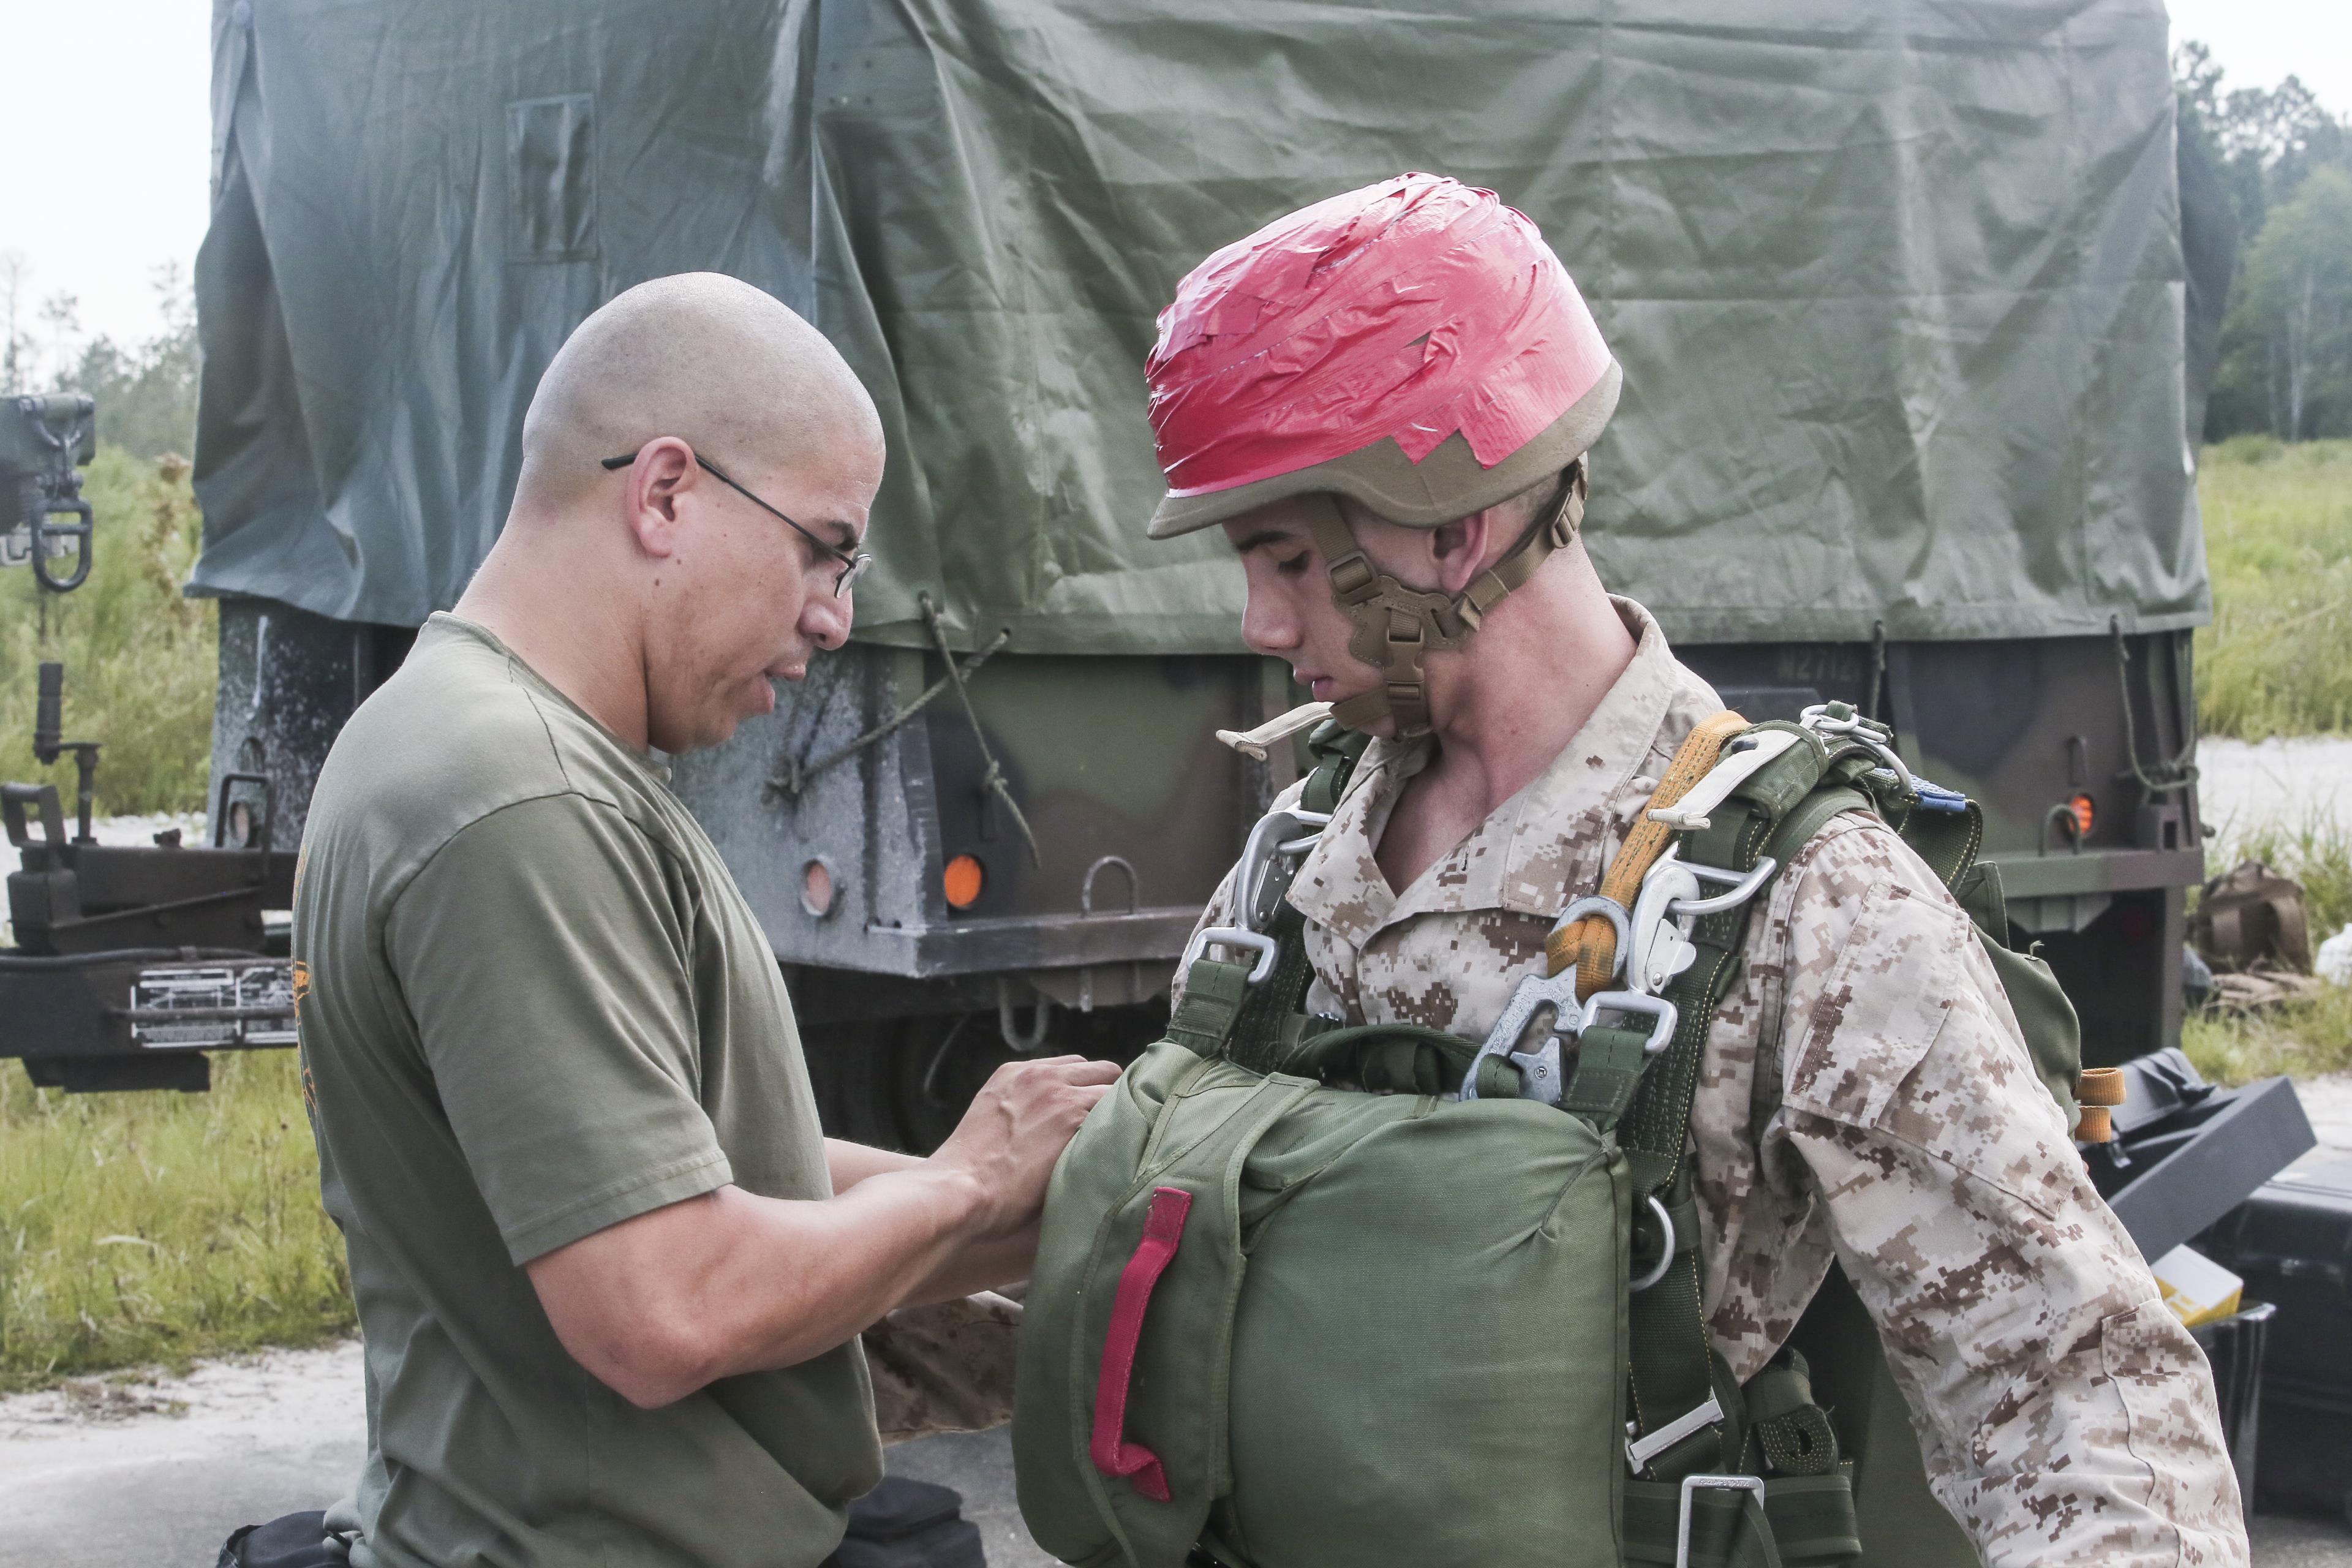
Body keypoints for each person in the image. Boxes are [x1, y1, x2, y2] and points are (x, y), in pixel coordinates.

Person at [1145, 175, 2248, 1566]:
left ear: (1448, 526)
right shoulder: (1299, 854)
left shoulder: (1802, 899)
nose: (1256, 617)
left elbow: (2075, 1391)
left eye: (1288, 555)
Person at [292, 272, 1117, 1568]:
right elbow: (663, 1300)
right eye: (824, 548)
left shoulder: (491, 742)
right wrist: (963, 1178)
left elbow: (716, 1175)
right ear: (666, 491)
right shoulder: (518, 795)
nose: (835, 615)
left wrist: (1062, 1196)